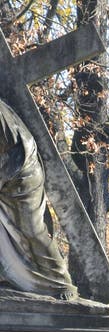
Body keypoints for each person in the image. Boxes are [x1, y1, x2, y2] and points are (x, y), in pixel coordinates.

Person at [0, 98, 76, 298]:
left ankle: (60, 282)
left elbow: (17, 149)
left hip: (22, 174)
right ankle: (8, 277)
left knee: (31, 229)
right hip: (7, 173)